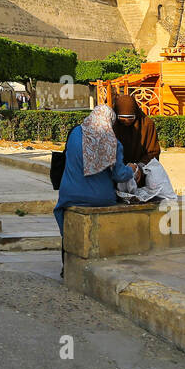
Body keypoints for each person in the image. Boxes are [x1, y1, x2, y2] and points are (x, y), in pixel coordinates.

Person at [53, 105, 134, 261]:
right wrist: (132, 170)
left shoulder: (75, 133)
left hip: (69, 195)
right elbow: (119, 175)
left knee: (69, 233)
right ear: (110, 121)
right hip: (100, 198)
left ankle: (67, 265)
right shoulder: (112, 141)